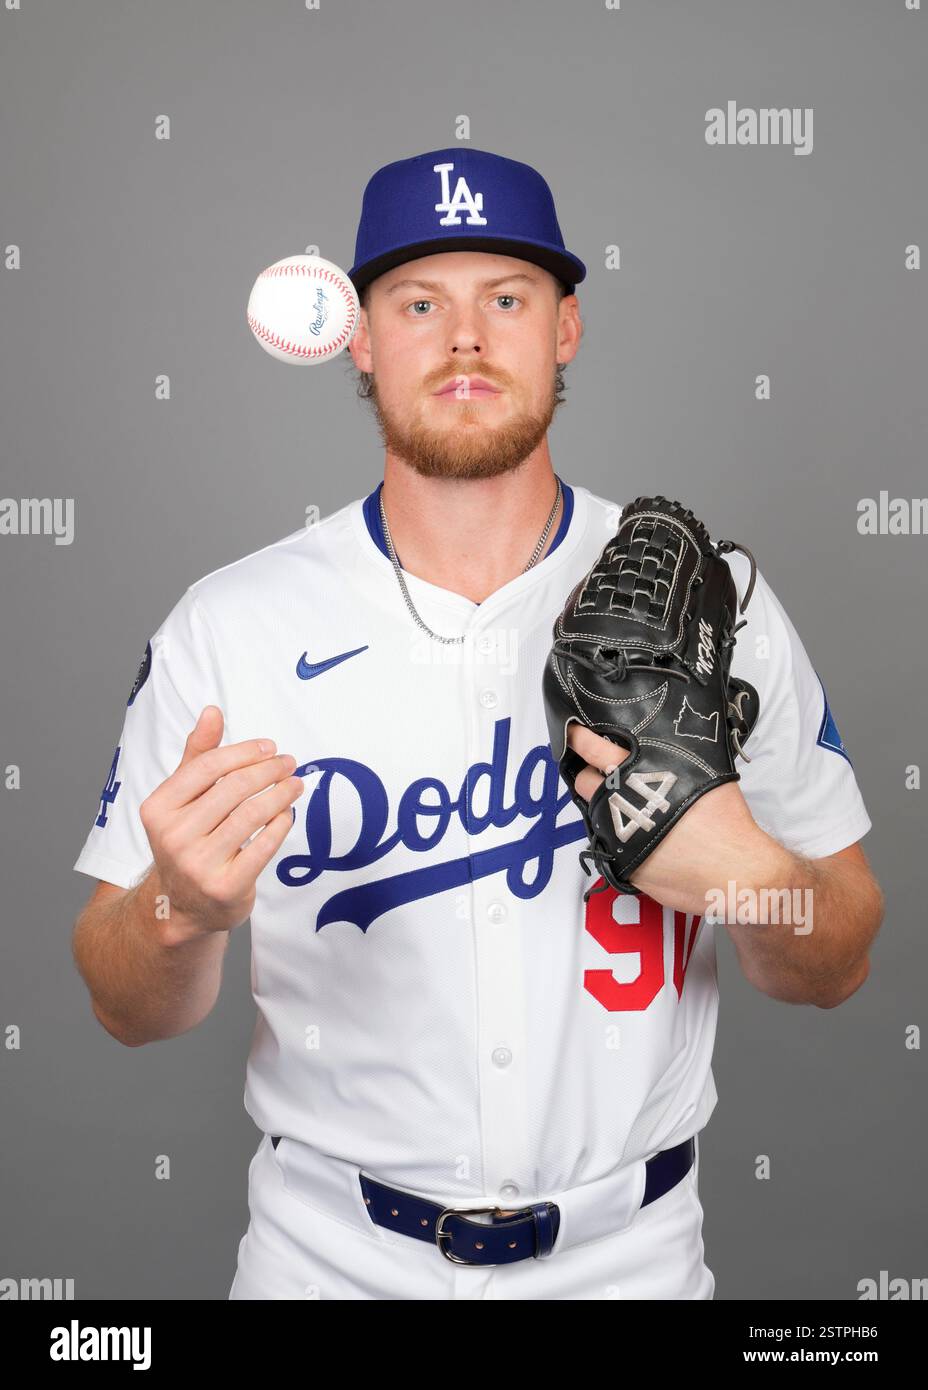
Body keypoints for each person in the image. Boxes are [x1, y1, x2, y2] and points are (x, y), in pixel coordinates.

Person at [72, 147, 883, 1300]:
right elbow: (120, 1003)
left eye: (505, 298)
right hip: (326, 1265)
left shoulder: (713, 601)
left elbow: (839, 960)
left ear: (566, 329)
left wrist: (745, 872)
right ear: (359, 338)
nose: (464, 337)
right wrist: (176, 909)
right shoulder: (231, 625)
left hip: (631, 1268)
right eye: (418, 302)